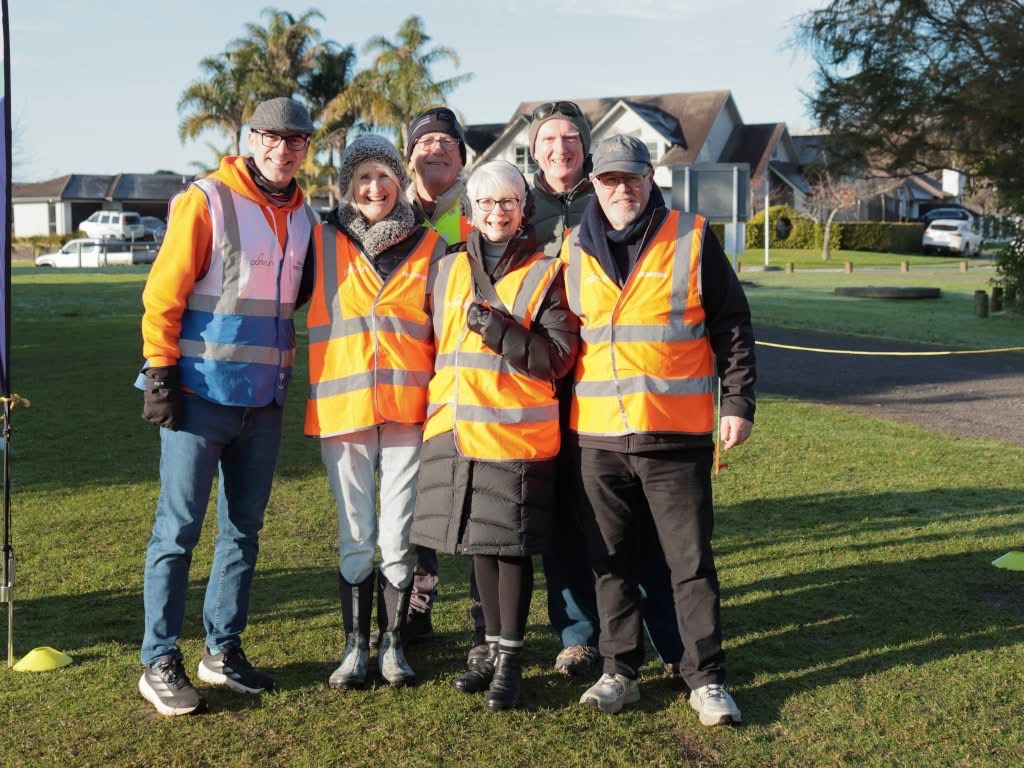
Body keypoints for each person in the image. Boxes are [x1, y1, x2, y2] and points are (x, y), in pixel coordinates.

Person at [565, 135, 755, 725]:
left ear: (651, 179)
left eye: (633, 178)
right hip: (596, 438)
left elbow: (732, 323)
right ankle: (619, 671)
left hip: (675, 434)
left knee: (689, 561)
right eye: (609, 179)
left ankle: (706, 679)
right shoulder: (571, 248)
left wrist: (739, 402)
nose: (622, 189)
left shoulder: (692, 236)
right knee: (611, 560)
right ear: (592, 184)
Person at [137, 97, 317, 716]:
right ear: (251, 139)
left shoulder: (304, 216)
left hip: (264, 401)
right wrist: (159, 372)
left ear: (305, 149)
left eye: (296, 141)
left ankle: (222, 651)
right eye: (272, 138)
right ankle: (159, 657)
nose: (283, 149)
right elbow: (163, 293)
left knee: (244, 532)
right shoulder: (207, 200)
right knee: (177, 531)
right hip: (198, 394)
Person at [409, 160, 579, 711]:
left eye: (507, 202)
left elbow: (557, 358)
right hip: (456, 430)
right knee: (478, 544)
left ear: (523, 208)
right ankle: (486, 646)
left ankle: (510, 659)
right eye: (485, 203)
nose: (496, 212)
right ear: (470, 211)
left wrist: (501, 330)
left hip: (514, 435)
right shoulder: (449, 268)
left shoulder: (546, 272)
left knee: (510, 552)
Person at [526, 102, 685, 680]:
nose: (560, 147)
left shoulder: (620, 195)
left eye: (571, 137)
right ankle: (576, 633)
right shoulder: (520, 209)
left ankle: (656, 626)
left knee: (632, 516)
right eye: (549, 138)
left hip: (616, 390)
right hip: (544, 390)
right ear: (534, 147)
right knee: (564, 520)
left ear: (586, 149)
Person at [305, 134, 446, 689]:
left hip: (410, 408)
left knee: (398, 532)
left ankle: (393, 646)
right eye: (362, 177)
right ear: (347, 185)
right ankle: (354, 647)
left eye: (384, 176)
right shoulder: (320, 241)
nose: (373, 188)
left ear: (399, 181)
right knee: (355, 530)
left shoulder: (431, 244)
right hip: (343, 407)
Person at [402, 106, 473, 642]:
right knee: (410, 504)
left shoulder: (480, 218)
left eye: (448, 141)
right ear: (409, 157)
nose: (438, 149)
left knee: (476, 497)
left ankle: (486, 619)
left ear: (462, 157)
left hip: (466, 381)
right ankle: (414, 608)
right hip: (400, 383)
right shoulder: (382, 215)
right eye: (426, 141)